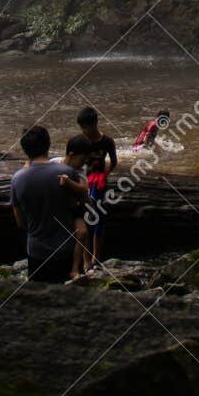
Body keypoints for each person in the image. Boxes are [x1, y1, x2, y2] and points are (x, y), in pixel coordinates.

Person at [10, 126, 84, 282]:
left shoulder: (17, 179)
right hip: (66, 251)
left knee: (39, 300)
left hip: (37, 252)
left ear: (25, 150)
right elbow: (80, 205)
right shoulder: (68, 173)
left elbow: (20, 222)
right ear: (49, 144)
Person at [77, 105, 117, 267]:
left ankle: (96, 257)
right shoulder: (81, 141)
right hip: (84, 182)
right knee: (85, 220)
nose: (83, 130)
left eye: (85, 127)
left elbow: (113, 162)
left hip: (99, 183)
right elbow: (74, 162)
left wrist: (105, 174)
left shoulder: (107, 141)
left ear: (94, 124)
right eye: (82, 128)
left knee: (99, 220)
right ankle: (86, 260)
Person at [60, 133, 94, 281]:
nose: (84, 162)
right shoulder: (55, 163)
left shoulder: (80, 171)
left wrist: (69, 183)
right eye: (82, 158)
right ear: (71, 155)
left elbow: (84, 188)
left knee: (82, 232)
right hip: (59, 206)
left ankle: (75, 269)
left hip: (76, 207)